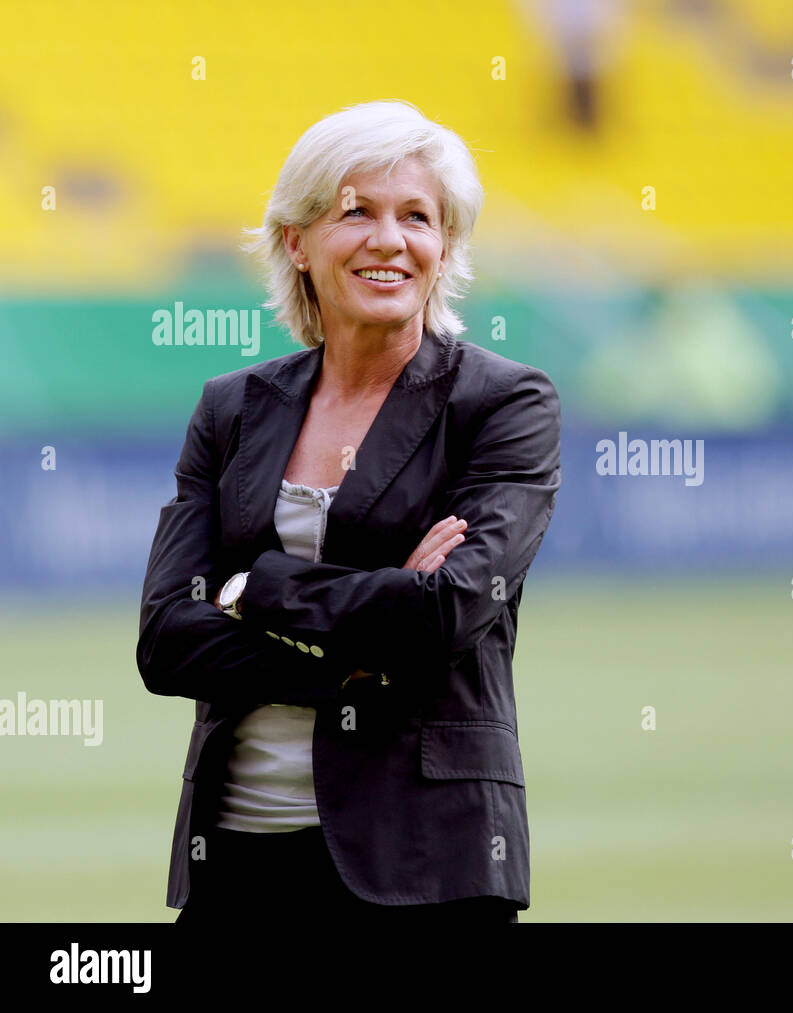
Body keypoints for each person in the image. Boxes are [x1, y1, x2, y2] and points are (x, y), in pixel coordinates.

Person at [136, 100, 561, 928]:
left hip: (427, 863)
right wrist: (363, 637)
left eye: (417, 217)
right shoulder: (232, 410)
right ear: (296, 241)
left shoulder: (503, 403)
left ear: (445, 248)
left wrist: (252, 588)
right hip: (234, 858)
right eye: (355, 211)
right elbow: (164, 639)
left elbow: (446, 612)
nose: (389, 239)